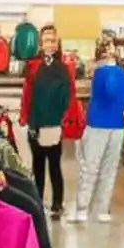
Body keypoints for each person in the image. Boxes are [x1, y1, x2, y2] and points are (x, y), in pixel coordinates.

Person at [19, 24, 80, 219]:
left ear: (57, 43)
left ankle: (57, 204)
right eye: (46, 40)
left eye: (53, 41)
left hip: (55, 123)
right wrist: (25, 117)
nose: (49, 44)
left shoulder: (64, 68)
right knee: (38, 166)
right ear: (40, 43)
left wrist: (66, 119)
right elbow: (27, 94)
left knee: (54, 165)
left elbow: (69, 95)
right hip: (36, 122)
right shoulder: (33, 67)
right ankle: (37, 202)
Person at [70, 40, 124, 223]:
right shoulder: (110, 73)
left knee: (94, 167)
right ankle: (93, 208)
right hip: (110, 124)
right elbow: (116, 94)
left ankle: (91, 207)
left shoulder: (102, 73)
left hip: (102, 124)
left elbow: (114, 93)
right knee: (101, 168)